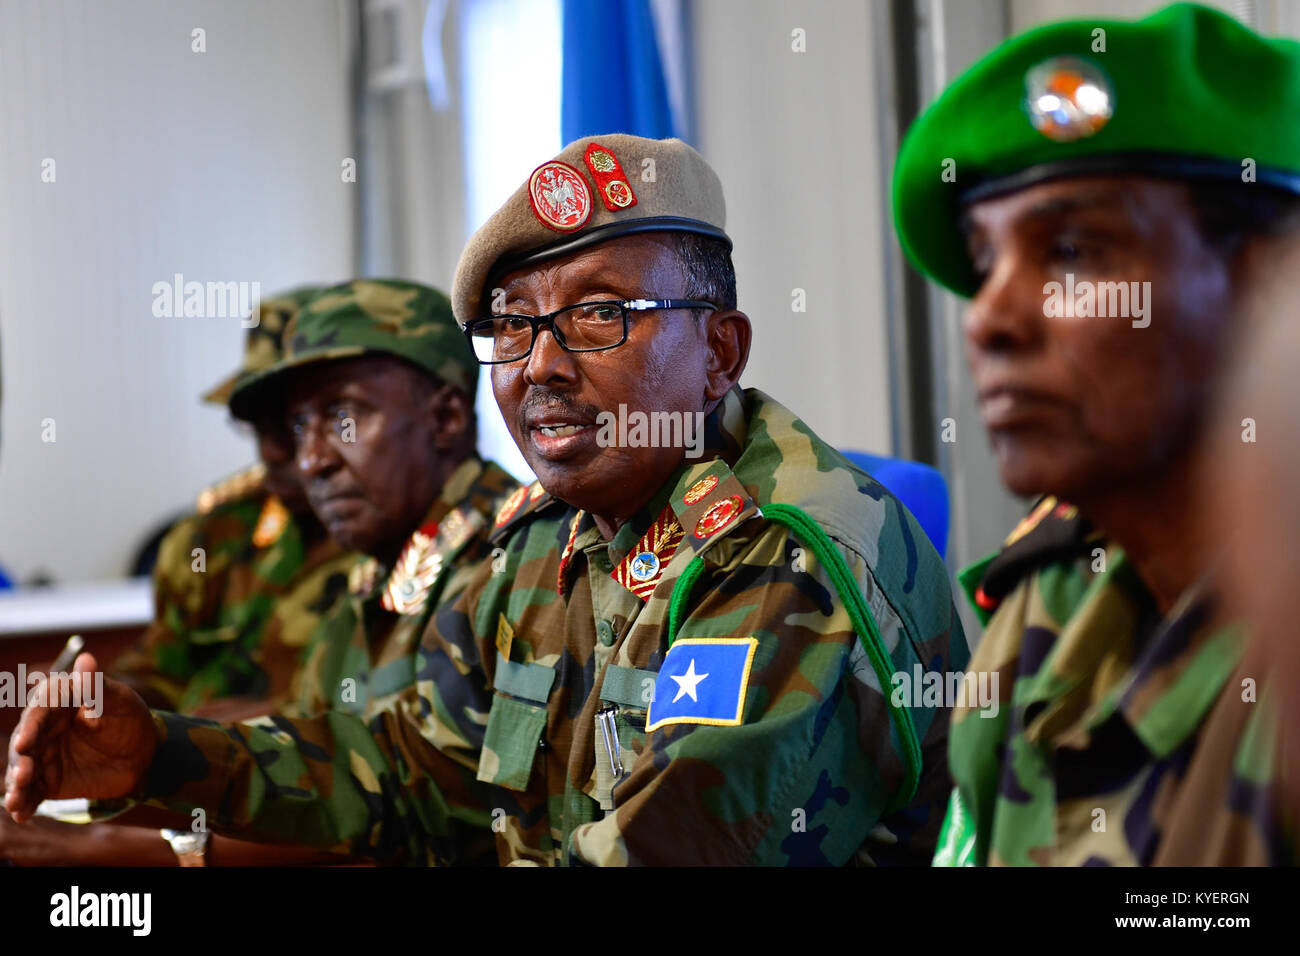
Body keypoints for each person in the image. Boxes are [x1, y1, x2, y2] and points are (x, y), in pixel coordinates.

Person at [6, 135, 965, 866]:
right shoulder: (551, 539)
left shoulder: (779, 555)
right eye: (511, 326)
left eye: (598, 313)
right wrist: (163, 755)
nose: (541, 364)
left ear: (719, 351)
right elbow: (418, 770)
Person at [890, 2, 1298, 865]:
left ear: (1269, 284)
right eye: (985, 262)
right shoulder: (1056, 594)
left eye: (1073, 251)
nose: (987, 318)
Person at [0, 287, 358, 865]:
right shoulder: (211, 539)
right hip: (167, 788)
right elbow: (157, 668)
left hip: (276, 822)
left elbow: (367, 757)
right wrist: (86, 708)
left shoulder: (402, 549)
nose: (278, 447)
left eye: (298, 420)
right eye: (259, 422)